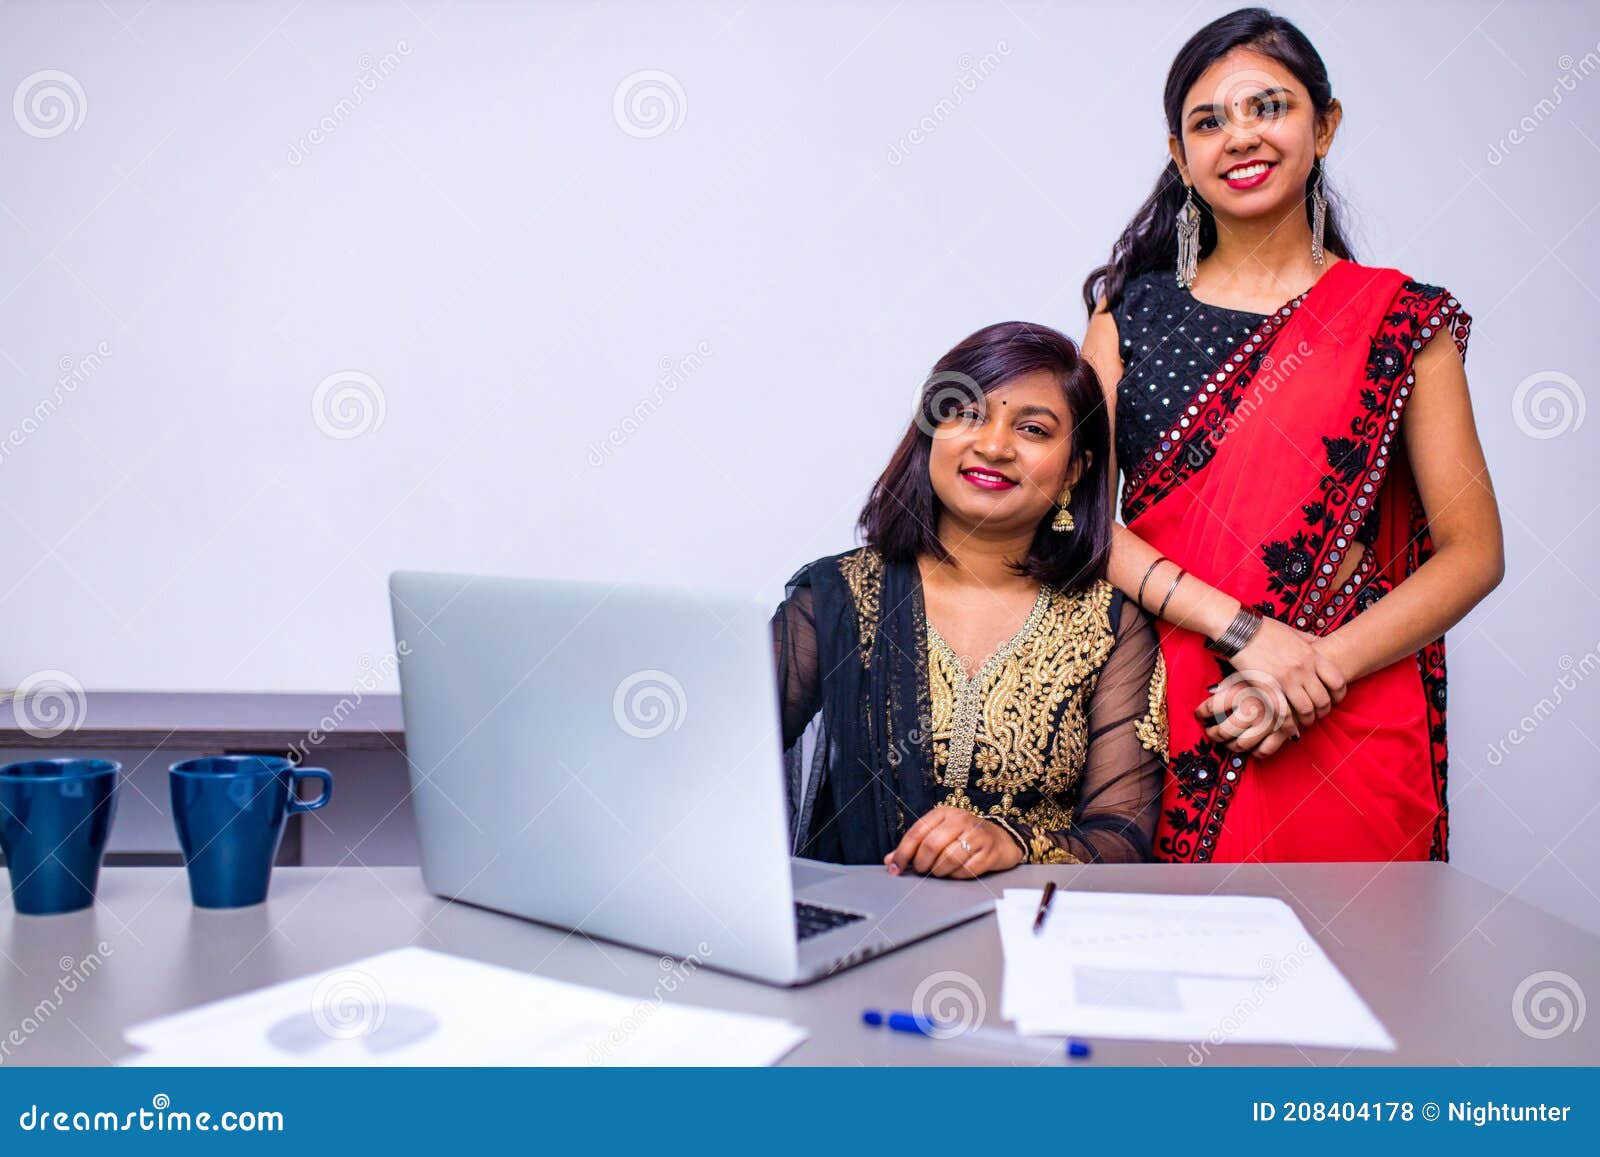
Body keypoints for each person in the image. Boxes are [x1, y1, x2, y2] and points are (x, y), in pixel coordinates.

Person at [1079, 7, 1504, 862]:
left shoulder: (1398, 319)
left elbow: (1473, 551)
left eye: (1267, 106)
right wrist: (1247, 635)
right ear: (1180, 158)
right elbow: (1085, 519)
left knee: (1354, 974)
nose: (1240, 136)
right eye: (1208, 121)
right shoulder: (1128, 316)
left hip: (1348, 704)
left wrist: (1311, 674)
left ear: (1325, 124)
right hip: (1171, 697)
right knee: (1166, 973)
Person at [771, 321, 1167, 878]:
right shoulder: (837, 600)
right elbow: (719, 759)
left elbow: (1123, 837)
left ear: (1076, 469)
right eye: (969, 414)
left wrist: (1015, 844)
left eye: (1032, 429)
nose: (994, 445)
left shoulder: (1107, 624)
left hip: (1029, 930)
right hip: (859, 933)